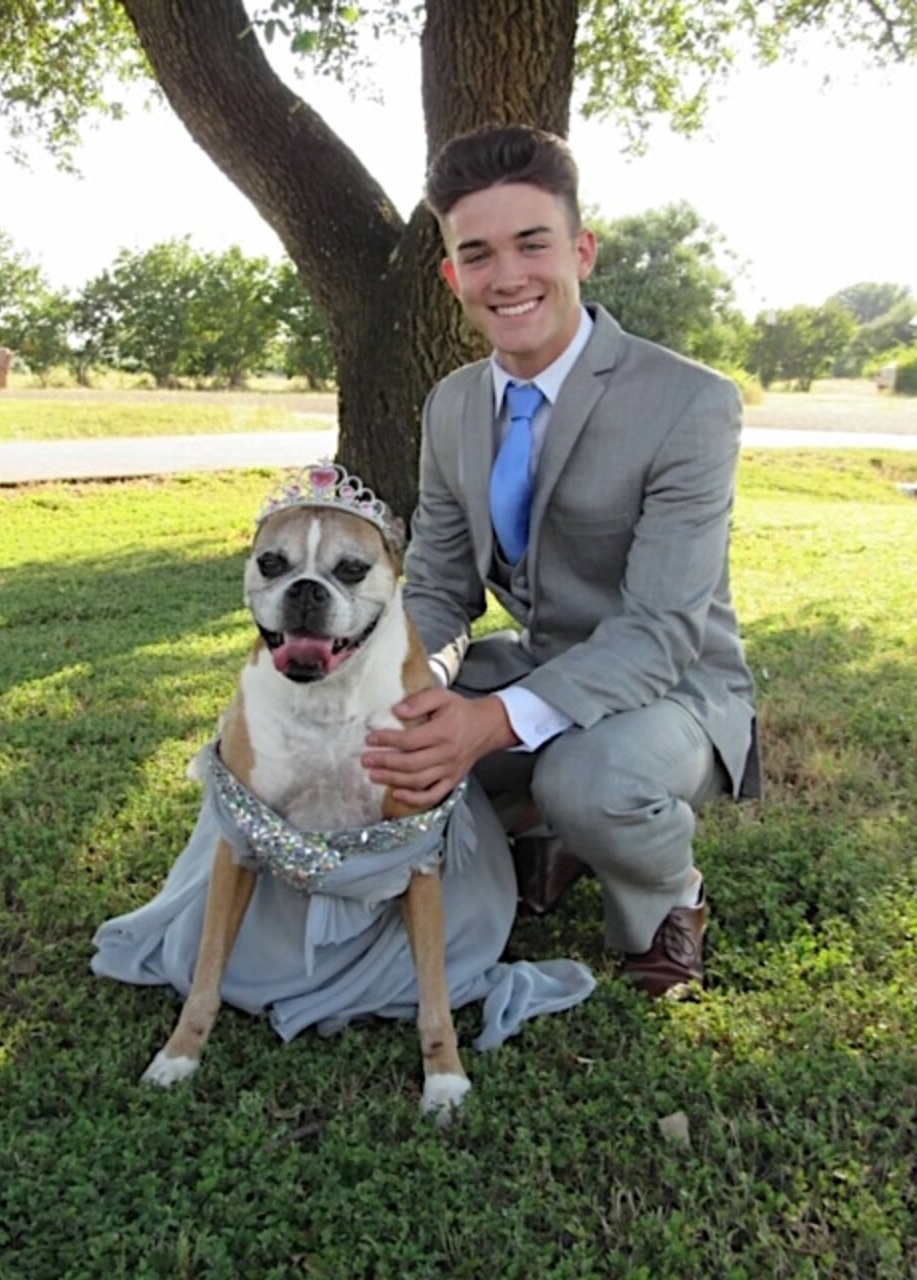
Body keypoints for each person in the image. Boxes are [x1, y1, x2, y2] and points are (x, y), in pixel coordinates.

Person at [363, 123, 761, 997]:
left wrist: (488, 723)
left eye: (532, 243)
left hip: (678, 686)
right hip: (540, 666)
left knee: (586, 776)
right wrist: (412, 681)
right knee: (378, 735)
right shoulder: (451, 404)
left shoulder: (691, 403)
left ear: (581, 249)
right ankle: (535, 841)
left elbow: (659, 632)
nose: (507, 276)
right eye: (479, 254)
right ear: (452, 276)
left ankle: (668, 900)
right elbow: (436, 581)